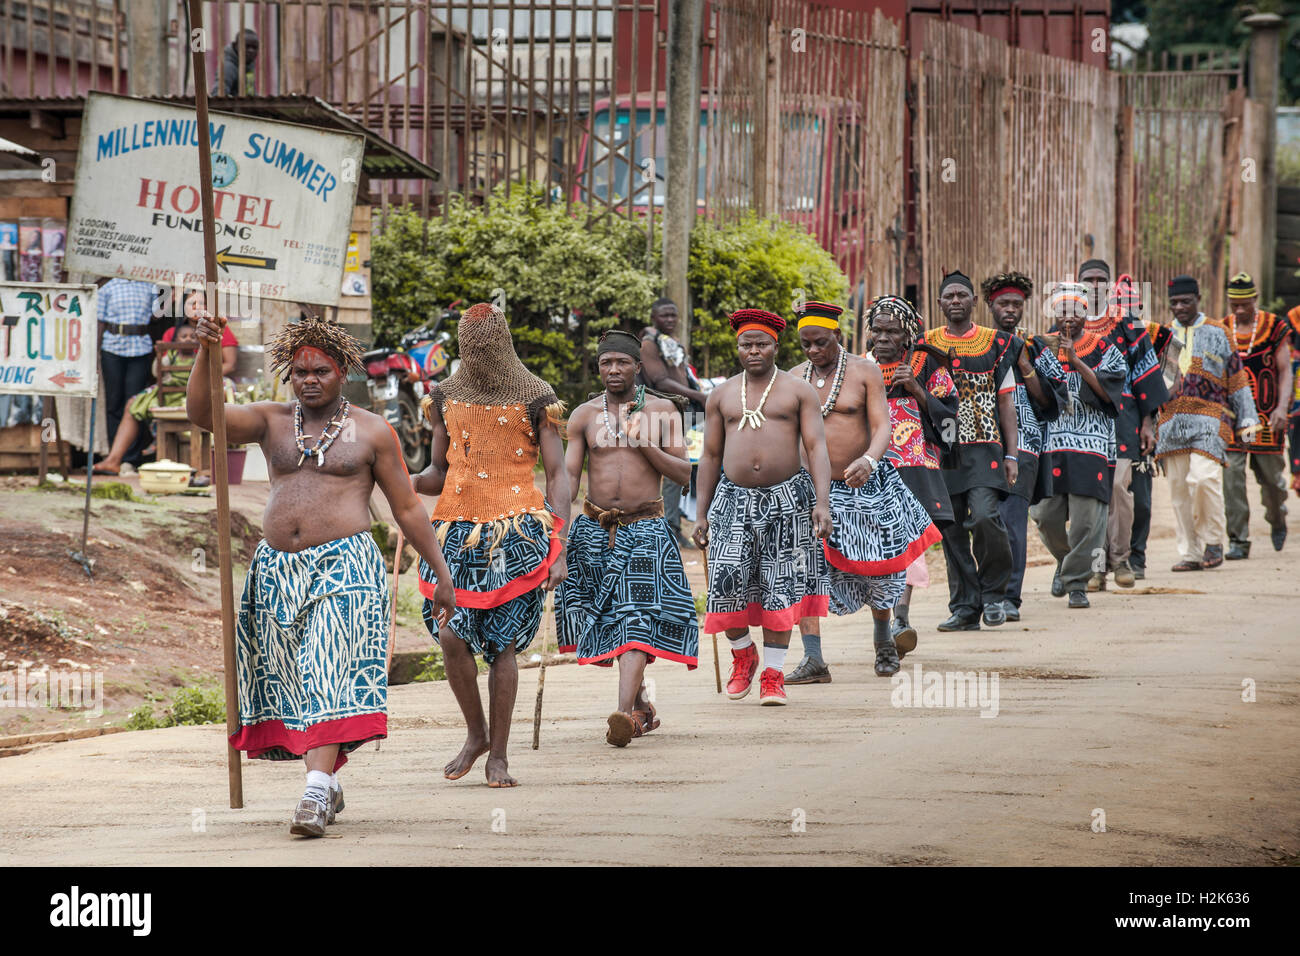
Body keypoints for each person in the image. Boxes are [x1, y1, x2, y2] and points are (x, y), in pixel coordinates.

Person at [187, 308, 455, 838]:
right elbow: (205, 414)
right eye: (302, 371)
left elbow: (405, 508)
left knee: (329, 669)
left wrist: (438, 569)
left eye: (322, 372)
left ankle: (311, 795)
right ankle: (327, 781)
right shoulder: (269, 420)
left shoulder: (373, 432)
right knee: (294, 680)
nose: (311, 381)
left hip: (346, 568)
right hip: (276, 572)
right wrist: (205, 350)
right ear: (289, 372)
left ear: (343, 373)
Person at [412, 302, 569, 787]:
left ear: (502, 344)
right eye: (471, 349)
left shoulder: (537, 396)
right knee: (453, 635)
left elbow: (558, 472)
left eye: (487, 349)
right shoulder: (444, 396)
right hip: (455, 532)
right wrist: (398, 479)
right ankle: (475, 734)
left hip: (517, 531)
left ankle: (498, 754)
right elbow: (438, 472)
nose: (479, 357)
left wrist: (559, 537)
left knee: (503, 646)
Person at [556, 330, 697, 746]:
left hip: (646, 528)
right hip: (595, 530)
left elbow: (684, 473)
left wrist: (644, 443)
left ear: (638, 367)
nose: (613, 370)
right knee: (608, 620)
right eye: (606, 363)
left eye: (622, 362)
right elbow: (567, 477)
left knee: (635, 618)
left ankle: (622, 715)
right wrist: (558, 534)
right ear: (598, 368)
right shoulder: (583, 415)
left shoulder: (663, 410)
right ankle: (640, 708)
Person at [788, 301, 939, 682]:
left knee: (880, 567)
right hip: (813, 490)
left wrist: (869, 460)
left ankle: (884, 640)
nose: (813, 351)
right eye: (805, 344)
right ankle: (813, 658)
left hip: (865, 483)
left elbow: (883, 426)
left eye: (820, 342)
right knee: (806, 568)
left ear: (837, 336)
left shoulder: (864, 371)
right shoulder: (793, 378)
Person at [691, 308, 831, 706]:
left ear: (775, 346)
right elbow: (711, 455)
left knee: (780, 587)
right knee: (725, 583)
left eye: (761, 344)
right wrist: (700, 513)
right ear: (737, 347)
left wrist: (822, 502)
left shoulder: (797, 390)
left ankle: (773, 674)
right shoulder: (720, 395)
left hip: (788, 499)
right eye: (746, 344)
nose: (754, 351)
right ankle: (743, 655)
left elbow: (817, 447)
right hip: (732, 500)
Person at [923, 271, 1019, 630]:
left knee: (983, 517)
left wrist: (1012, 455)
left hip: (985, 448)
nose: (956, 301)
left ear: (974, 301)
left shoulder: (997, 343)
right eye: (949, 296)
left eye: (962, 295)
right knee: (950, 529)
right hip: (943, 450)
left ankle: (994, 596)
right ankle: (965, 607)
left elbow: (1006, 404)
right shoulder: (925, 344)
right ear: (939, 303)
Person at [866, 295, 959, 653]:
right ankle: (888, 620)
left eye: (892, 331)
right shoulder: (860, 369)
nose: (884, 338)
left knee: (906, 546)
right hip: (872, 471)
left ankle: (899, 618)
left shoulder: (928, 365)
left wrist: (917, 390)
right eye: (878, 330)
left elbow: (951, 423)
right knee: (878, 548)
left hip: (916, 470)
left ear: (907, 334)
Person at [1029, 283, 1127, 608]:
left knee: (1087, 521)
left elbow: (1109, 393)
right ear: (1054, 314)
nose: (1068, 318)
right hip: (1050, 445)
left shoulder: (1104, 348)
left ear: (1086, 313)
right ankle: (1069, 562)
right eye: (1062, 311)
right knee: (1044, 515)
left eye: (1075, 311)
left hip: (1093, 445)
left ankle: (1075, 584)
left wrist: (1076, 362)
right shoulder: (1040, 347)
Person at [1155, 275, 1259, 571]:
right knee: (1178, 491)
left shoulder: (1218, 332)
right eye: (1174, 302)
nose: (1179, 307)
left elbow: (1237, 380)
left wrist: (1248, 420)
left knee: (1203, 479)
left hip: (1211, 418)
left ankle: (1214, 540)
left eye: (1185, 301)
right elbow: (1156, 385)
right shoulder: (1164, 337)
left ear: (1198, 298)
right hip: (1172, 422)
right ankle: (1191, 553)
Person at [1078, 263, 1170, 590]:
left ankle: (1122, 558)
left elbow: (1147, 372)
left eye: (1101, 280)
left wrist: (1148, 421)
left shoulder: (1127, 324)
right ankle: (1095, 566)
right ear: (1079, 284)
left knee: (1119, 488)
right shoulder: (1067, 322)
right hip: (1080, 422)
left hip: (1123, 418)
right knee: (1089, 494)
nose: (1095, 285)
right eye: (1088, 280)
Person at [981, 272, 1067, 619]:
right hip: (981, 444)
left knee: (1013, 520)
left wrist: (1026, 368)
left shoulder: (1034, 347)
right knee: (985, 521)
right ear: (990, 305)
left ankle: (1009, 598)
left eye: (1017, 304)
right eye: (1004, 303)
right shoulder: (978, 343)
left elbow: (1054, 399)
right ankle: (984, 593)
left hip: (1026, 443)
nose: (1010, 309)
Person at [1220, 272, 1292, 558]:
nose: (1239, 310)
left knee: (1272, 482)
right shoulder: (1222, 328)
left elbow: (1286, 371)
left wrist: (1282, 408)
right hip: (1233, 419)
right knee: (1232, 478)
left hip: (1266, 419)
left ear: (1255, 300)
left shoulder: (1274, 327)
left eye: (1244, 304)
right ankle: (1238, 540)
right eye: (1233, 304)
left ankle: (1278, 519)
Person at [638, 298, 707, 547]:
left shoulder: (673, 344)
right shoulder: (649, 344)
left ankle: (674, 526)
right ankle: (668, 529)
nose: (670, 320)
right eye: (664, 316)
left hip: (684, 413)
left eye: (673, 315)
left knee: (684, 469)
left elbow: (683, 378)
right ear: (653, 317)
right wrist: (700, 396)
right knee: (670, 471)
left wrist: (701, 394)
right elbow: (661, 381)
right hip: (663, 414)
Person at [93, 321, 202, 475]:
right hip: (168, 393)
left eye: (192, 337)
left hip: (189, 396)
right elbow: (157, 373)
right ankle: (115, 460)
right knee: (134, 404)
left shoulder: (199, 356)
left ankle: (116, 459)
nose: (188, 339)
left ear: (198, 340)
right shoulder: (171, 356)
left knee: (134, 403)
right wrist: (159, 356)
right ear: (175, 341)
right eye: (183, 337)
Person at [97, 278, 160, 473]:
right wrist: (95, 351)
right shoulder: (108, 287)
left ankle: (130, 460)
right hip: (111, 347)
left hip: (140, 348)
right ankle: (113, 456)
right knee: (114, 402)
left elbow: (157, 316)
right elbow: (100, 322)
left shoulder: (150, 286)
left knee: (134, 403)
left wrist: (168, 295)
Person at [1130, 310, 1176, 579]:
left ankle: (1137, 557)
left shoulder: (1161, 335)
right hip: (1104, 424)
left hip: (1141, 423)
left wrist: (1149, 408)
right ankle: (1102, 561)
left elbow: (1171, 379)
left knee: (1141, 501)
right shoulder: (1093, 331)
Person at [214, 29, 258, 96]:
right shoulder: (228, 67)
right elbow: (218, 94)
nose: (251, 50)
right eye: (247, 46)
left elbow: (250, 93)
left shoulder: (249, 64)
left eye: (254, 47)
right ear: (235, 45)